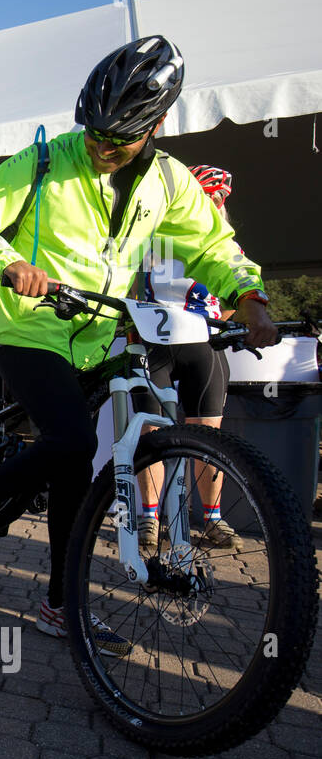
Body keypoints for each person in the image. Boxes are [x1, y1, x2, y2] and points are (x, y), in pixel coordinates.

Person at [0, 35, 276, 653]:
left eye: (119, 138)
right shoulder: (45, 161)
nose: (101, 147)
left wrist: (250, 295)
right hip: (27, 324)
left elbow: (214, 246)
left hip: (96, 337)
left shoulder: (170, 181)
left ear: (158, 124)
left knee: (78, 467)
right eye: (93, 132)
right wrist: (6, 264)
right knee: (74, 441)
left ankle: (60, 603)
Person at [133, 164, 242, 551]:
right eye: (204, 196)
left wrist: (214, 320)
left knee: (207, 437)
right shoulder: (154, 237)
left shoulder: (226, 246)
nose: (211, 204)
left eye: (217, 199)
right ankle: (148, 517)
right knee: (151, 434)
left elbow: (235, 299)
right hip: (154, 345)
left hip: (202, 347)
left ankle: (211, 517)